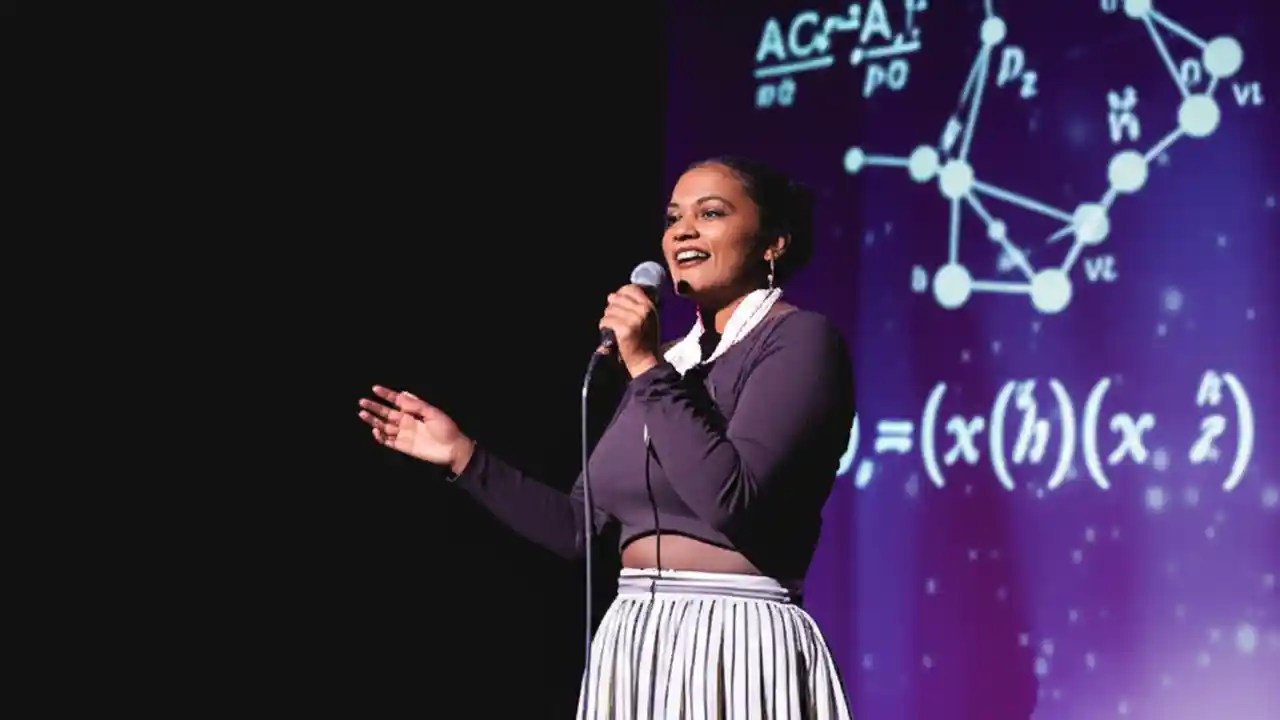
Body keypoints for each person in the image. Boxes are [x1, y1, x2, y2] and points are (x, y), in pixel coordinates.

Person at [357, 156, 856, 719]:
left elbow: (730, 498)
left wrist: (644, 364)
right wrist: (463, 457)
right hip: (632, 641)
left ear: (774, 243)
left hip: (732, 641)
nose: (682, 230)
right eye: (673, 218)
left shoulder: (798, 341)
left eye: (710, 213)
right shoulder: (670, 366)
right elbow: (583, 531)